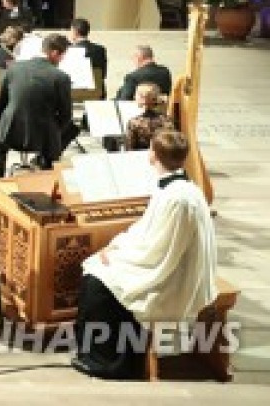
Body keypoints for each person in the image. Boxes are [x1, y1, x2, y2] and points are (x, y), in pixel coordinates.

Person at [72, 130, 218, 380]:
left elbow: (158, 250)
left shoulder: (178, 199)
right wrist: (115, 247)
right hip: (169, 261)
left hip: (175, 276)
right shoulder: (179, 187)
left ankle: (112, 363)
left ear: (154, 156)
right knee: (98, 265)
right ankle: (96, 353)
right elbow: (147, 231)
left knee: (99, 283)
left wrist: (117, 257)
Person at [0, 34, 74, 178]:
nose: (62, 60)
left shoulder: (13, 68)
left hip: (11, 130)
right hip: (43, 136)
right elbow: (66, 115)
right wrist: (54, 131)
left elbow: (0, 104)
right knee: (61, 136)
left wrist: (2, 126)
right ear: (54, 53)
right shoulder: (61, 77)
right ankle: (46, 178)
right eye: (62, 56)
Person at [124, 83, 170, 151]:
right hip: (162, 155)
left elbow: (129, 148)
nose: (134, 97)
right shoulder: (166, 120)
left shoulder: (134, 122)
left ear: (141, 99)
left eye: (136, 95)